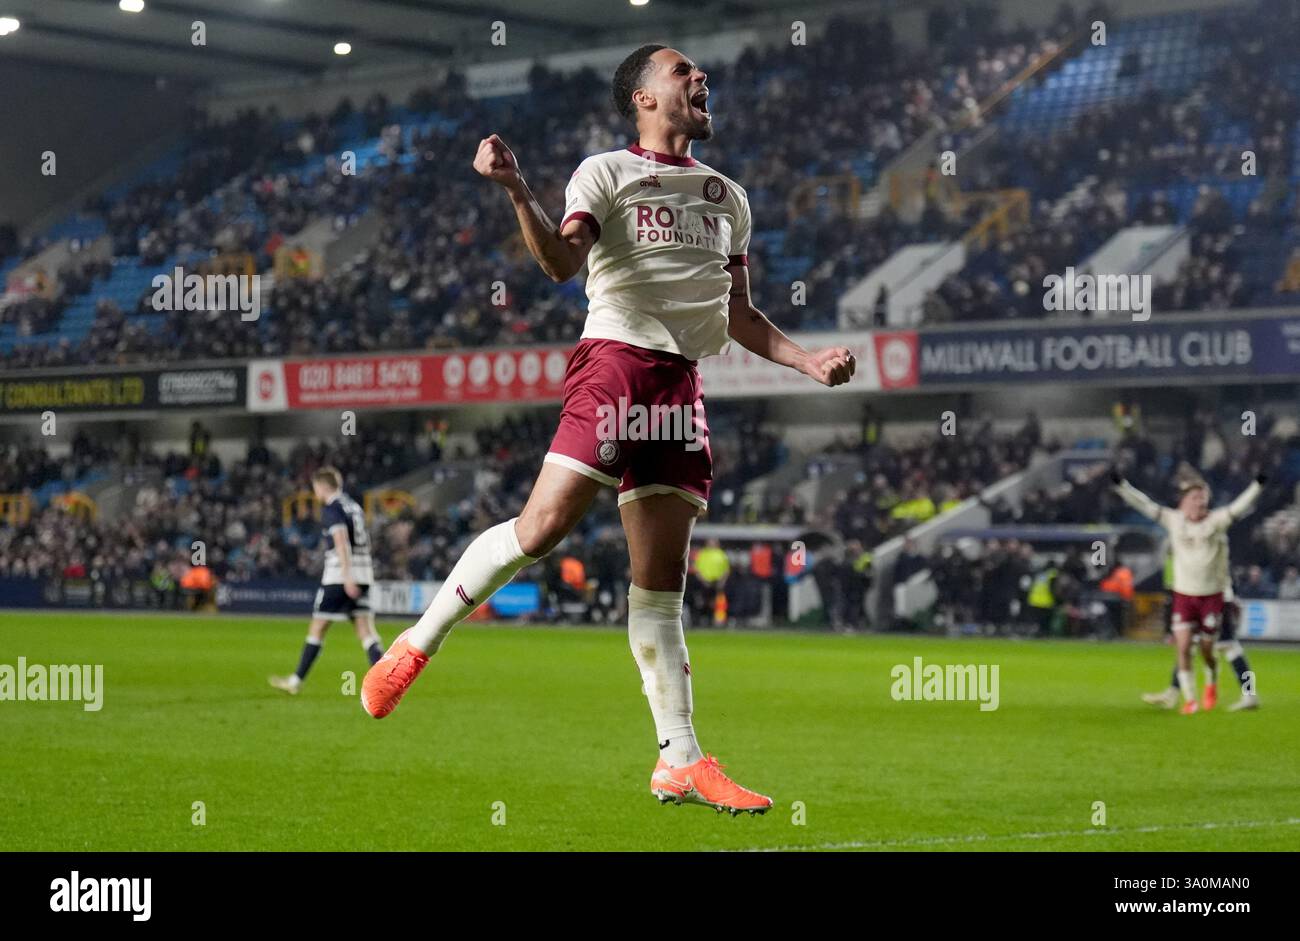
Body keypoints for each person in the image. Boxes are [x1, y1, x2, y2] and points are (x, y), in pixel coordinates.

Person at [360, 45, 856, 815]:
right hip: (617, 362)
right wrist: (516, 188)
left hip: (681, 383)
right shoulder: (603, 172)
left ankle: (679, 760)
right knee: (543, 527)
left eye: (702, 73)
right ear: (643, 97)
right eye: (682, 71)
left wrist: (806, 361)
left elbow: (738, 315)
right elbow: (561, 263)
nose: (700, 79)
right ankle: (416, 641)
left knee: (661, 585)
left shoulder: (729, 196)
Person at [1113, 466, 1263, 714]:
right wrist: (1123, 486)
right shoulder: (1177, 520)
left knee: (1228, 646)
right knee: (1189, 645)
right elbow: (1146, 505)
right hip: (1189, 592)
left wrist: (1257, 485)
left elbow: (1236, 512)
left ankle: (1249, 694)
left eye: (1201, 497)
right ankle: (1175, 693)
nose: (1199, 502)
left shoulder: (1215, 523)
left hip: (1216, 593)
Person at [270, 467, 384, 695]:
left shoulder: (332, 508)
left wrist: (347, 575)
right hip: (364, 573)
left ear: (322, 486)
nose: (315, 493)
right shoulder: (354, 507)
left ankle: (295, 681)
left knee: (318, 627)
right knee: (366, 631)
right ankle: (385, 683)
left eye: (315, 488)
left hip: (340, 577)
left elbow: (341, 541)